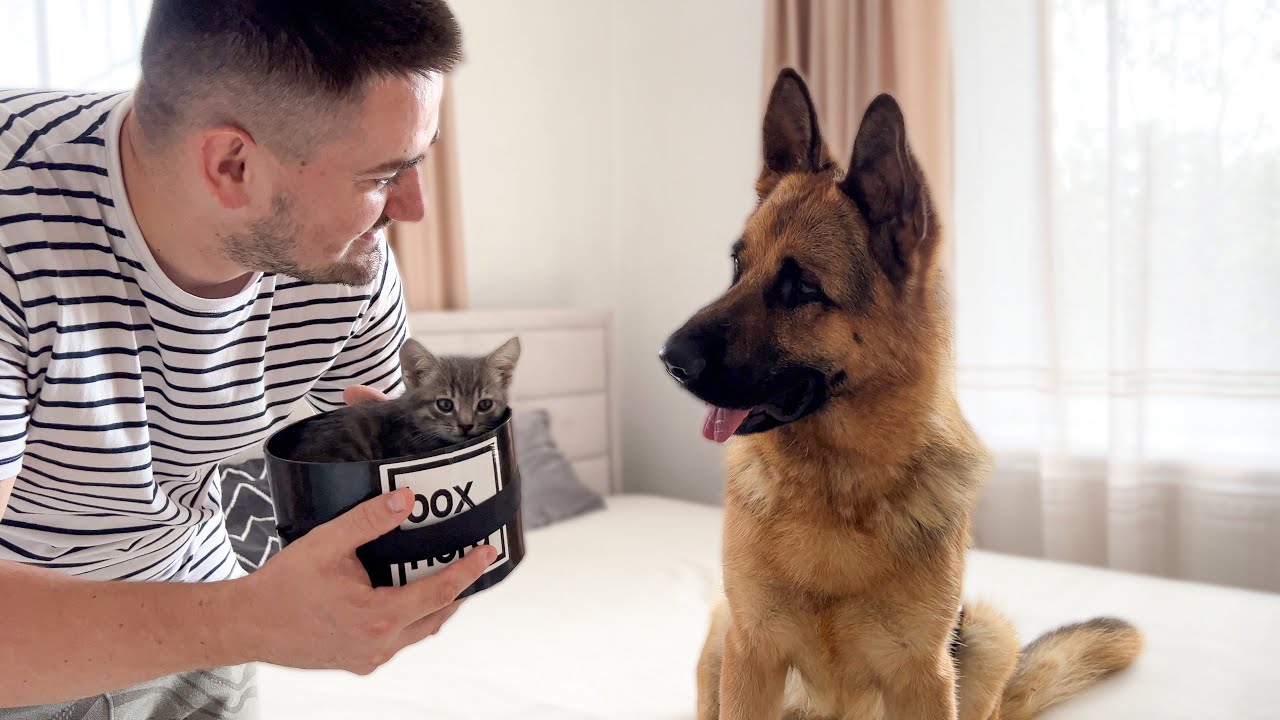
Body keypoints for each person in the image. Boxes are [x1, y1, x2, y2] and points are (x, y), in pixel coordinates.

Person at [0, 1, 493, 717]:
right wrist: (251, 618)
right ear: (232, 165)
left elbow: (384, 466)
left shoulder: (345, 262)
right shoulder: (16, 228)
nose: (412, 208)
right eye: (383, 175)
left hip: (197, 604)